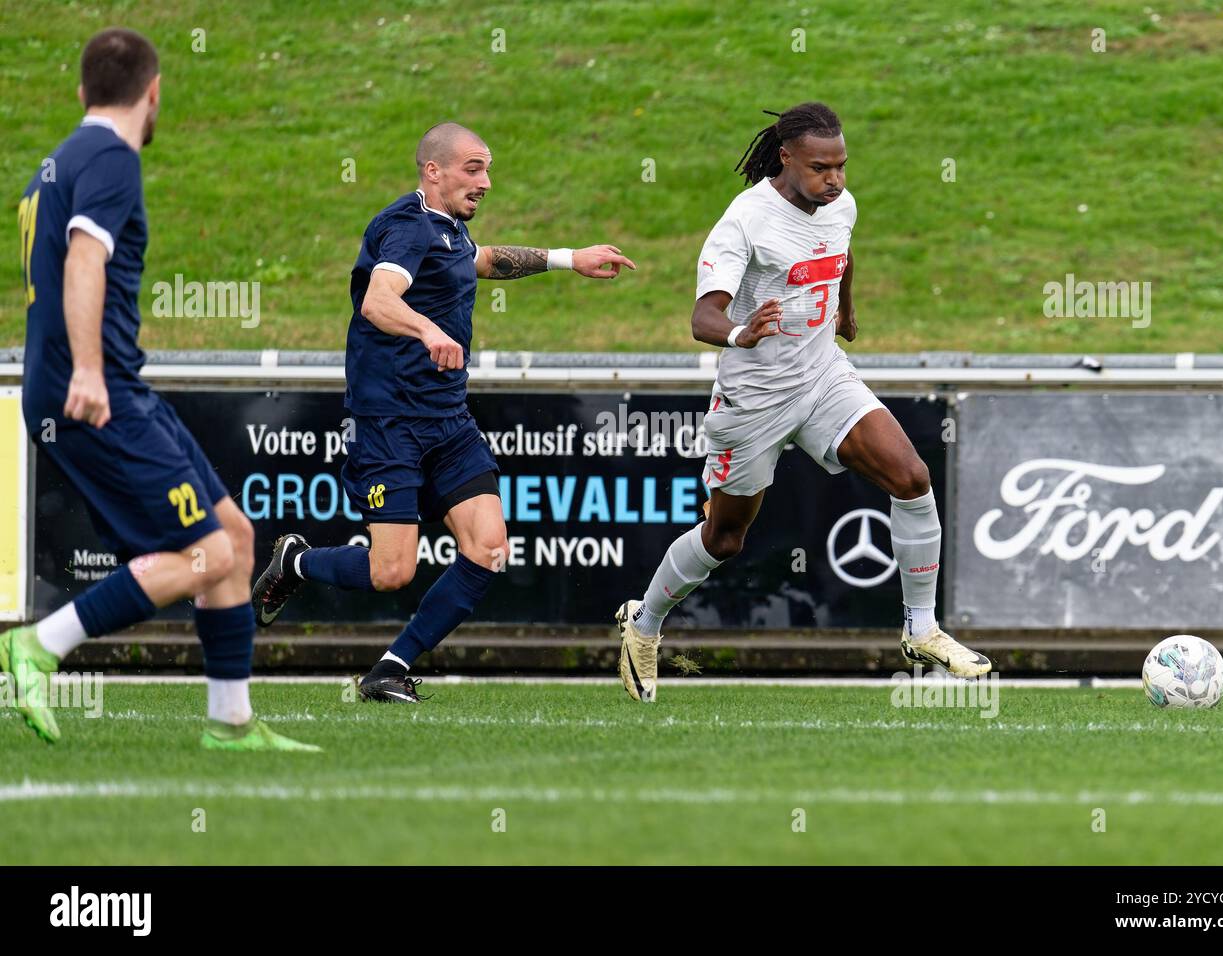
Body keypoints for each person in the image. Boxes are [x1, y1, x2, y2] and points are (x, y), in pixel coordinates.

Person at [4, 27, 318, 750]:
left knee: (232, 539)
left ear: (82, 91)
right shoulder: (112, 157)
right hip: (96, 388)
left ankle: (232, 723)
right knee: (204, 553)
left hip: (103, 384)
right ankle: (39, 645)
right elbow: (86, 260)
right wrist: (88, 369)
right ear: (153, 93)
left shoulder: (57, 161)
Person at [614, 102, 991, 703]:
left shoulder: (840, 203)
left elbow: (840, 249)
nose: (835, 179)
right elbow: (702, 317)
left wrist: (845, 305)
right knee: (725, 538)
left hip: (821, 377)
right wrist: (742, 332)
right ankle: (645, 623)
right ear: (786, 158)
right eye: (821, 168)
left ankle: (921, 629)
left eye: (841, 165)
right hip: (755, 397)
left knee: (913, 477)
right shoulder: (743, 223)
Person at [252, 122, 635, 703]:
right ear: (433, 170)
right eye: (472, 169)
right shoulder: (405, 228)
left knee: (489, 546)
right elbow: (380, 300)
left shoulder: (447, 227)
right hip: (390, 424)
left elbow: (482, 261)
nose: (485, 182)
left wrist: (567, 258)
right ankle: (296, 563)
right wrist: (428, 330)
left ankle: (389, 668)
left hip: (449, 423)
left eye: (487, 170)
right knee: (392, 573)